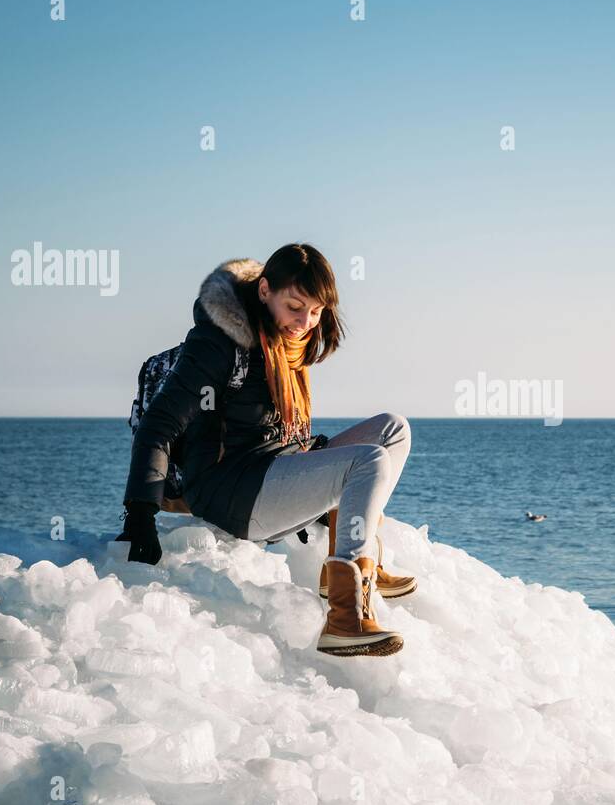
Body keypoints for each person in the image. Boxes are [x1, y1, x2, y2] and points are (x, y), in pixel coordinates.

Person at [120, 244, 414, 658]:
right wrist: (140, 515)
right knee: (367, 461)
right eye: (295, 307)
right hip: (233, 492)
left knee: (393, 429)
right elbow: (160, 423)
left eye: (315, 312)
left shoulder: (288, 345)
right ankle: (345, 618)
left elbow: (278, 433)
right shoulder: (218, 344)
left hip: (276, 466)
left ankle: (350, 563)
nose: (305, 322)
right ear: (264, 291)